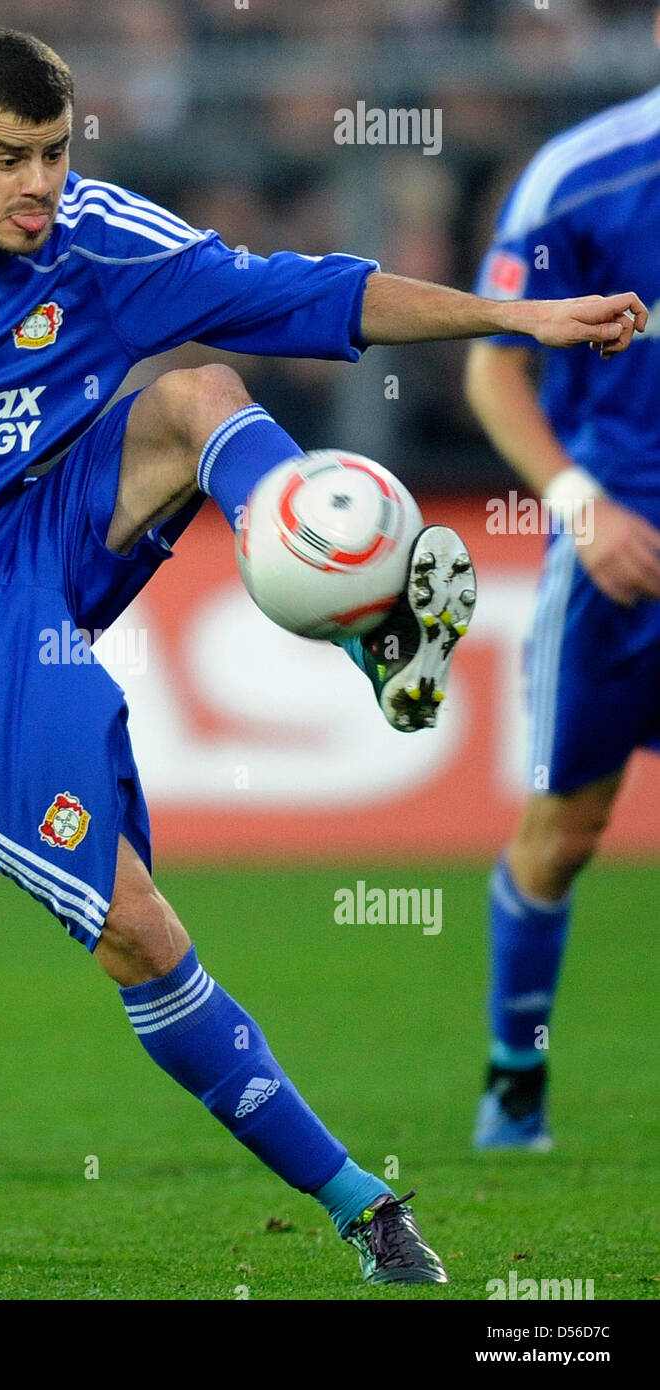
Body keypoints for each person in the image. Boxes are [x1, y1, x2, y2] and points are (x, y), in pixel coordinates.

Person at [0, 29, 645, 1284]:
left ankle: (356, 601)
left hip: (38, 540)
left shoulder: (101, 241)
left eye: (54, 152)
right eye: (8, 158)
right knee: (138, 928)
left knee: (201, 393)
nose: (39, 184)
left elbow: (323, 293)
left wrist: (519, 316)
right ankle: (363, 1204)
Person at [466, 24, 660, 1151]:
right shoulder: (582, 177)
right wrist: (581, 505)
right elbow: (495, 364)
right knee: (566, 829)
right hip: (616, 560)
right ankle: (514, 1079)